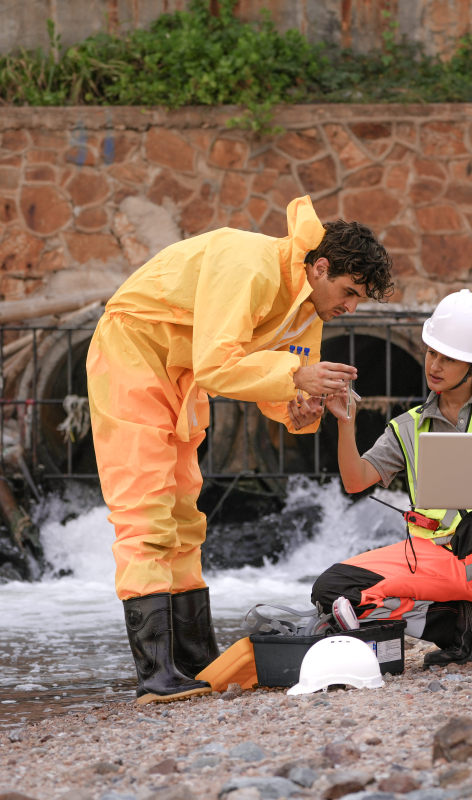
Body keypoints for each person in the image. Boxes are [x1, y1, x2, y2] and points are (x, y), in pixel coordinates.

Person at [85, 195, 393, 703]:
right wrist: (297, 377)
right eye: (349, 292)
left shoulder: (307, 313)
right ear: (320, 267)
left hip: (178, 371)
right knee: (146, 507)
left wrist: (299, 408)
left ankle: (194, 661)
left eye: (360, 299)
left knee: (185, 512)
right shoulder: (247, 263)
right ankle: (155, 675)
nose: (351, 307)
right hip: (133, 350)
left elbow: (279, 387)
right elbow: (217, 363)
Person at [305, 289, 472, 668]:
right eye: (433, 353)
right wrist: (346, 423)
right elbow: (355, 480)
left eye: (449, 358)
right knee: (332, 588)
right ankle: (454, 629)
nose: (435, 365)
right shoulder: (409, 426)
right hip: (438, 558)